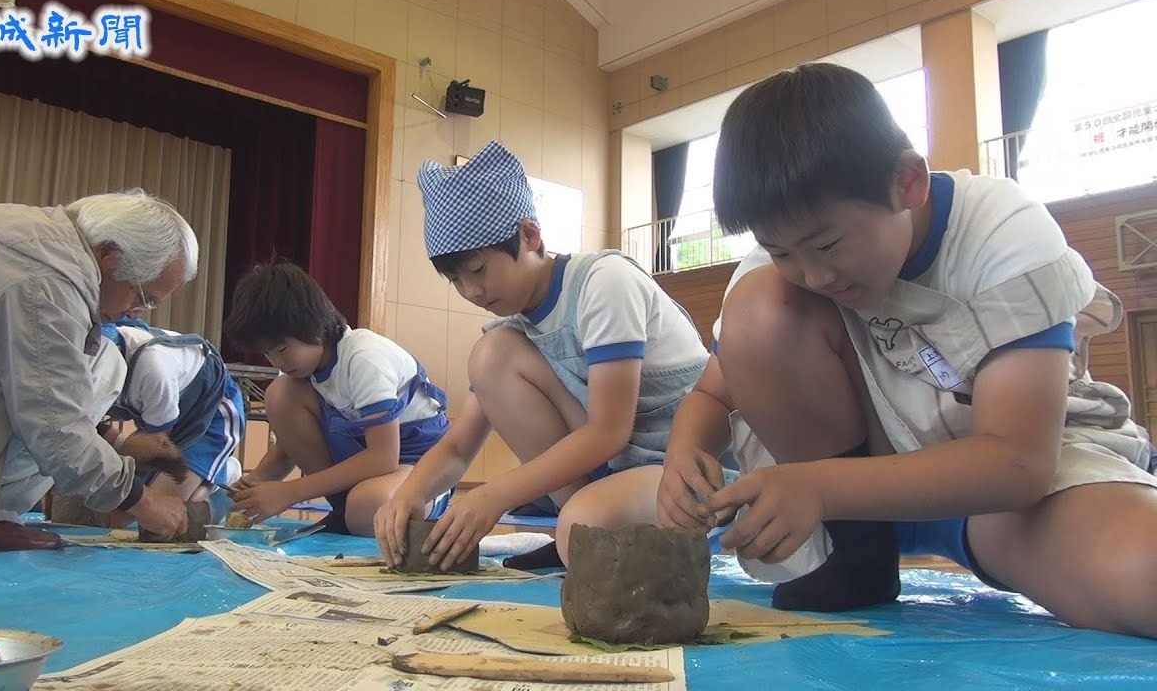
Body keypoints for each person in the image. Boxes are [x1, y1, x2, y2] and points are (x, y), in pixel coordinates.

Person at [658, 63, 1157, 638]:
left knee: (1141, 575)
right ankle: (860, 558)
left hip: (1001, 492)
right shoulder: (782, 273)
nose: (813, 275)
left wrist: (820, 487)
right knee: (761, 307)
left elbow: (1018, 463)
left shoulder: (1000, 231)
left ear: (908, 183)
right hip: (852, 511)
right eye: (781, 251)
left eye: (828, 244)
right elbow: (714, 393)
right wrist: (686, 448)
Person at [373, 140, 719, 572]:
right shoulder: (512, 329)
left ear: (529, 235)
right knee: (490, 357)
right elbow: (459, 446)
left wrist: (494, 495)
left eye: (478, 271)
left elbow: (609, 432)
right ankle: (580, 524)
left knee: (582, 526)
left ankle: (585, 525)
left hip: (681, 468)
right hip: (618, 472)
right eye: (456, 281)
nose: (471, 293)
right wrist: (409, 495)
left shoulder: (603, 284)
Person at [0, 189, 200, 555]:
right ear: (108, 255)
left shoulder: (26, 243)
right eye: (143, 298)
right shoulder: (46, 280)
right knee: (105, 363)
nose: (135, 314)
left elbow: (34, 384)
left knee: (98, 356)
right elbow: (53, 424)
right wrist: (144, 502)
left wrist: (117, 443)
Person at [222, 260, 451, 536]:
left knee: (370, 506)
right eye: (267, 353)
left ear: (315, 327)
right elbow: (290, 447)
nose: (277, 361)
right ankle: (347, 508)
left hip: (418, 462)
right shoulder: (306, 368)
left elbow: (383, 459)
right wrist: (256, 481)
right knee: (280, 393)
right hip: (368, 457)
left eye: (282, 349)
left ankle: (428, 500)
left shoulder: (364, 358)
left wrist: (290, 492)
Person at [96, 317, 245, 519]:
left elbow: (157, 447)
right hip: (161, 420)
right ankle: (202, 479)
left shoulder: (152, 368)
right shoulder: (84, 366)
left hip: (210, 414)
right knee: (120, 506)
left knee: (162, 514)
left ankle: (221, 473)